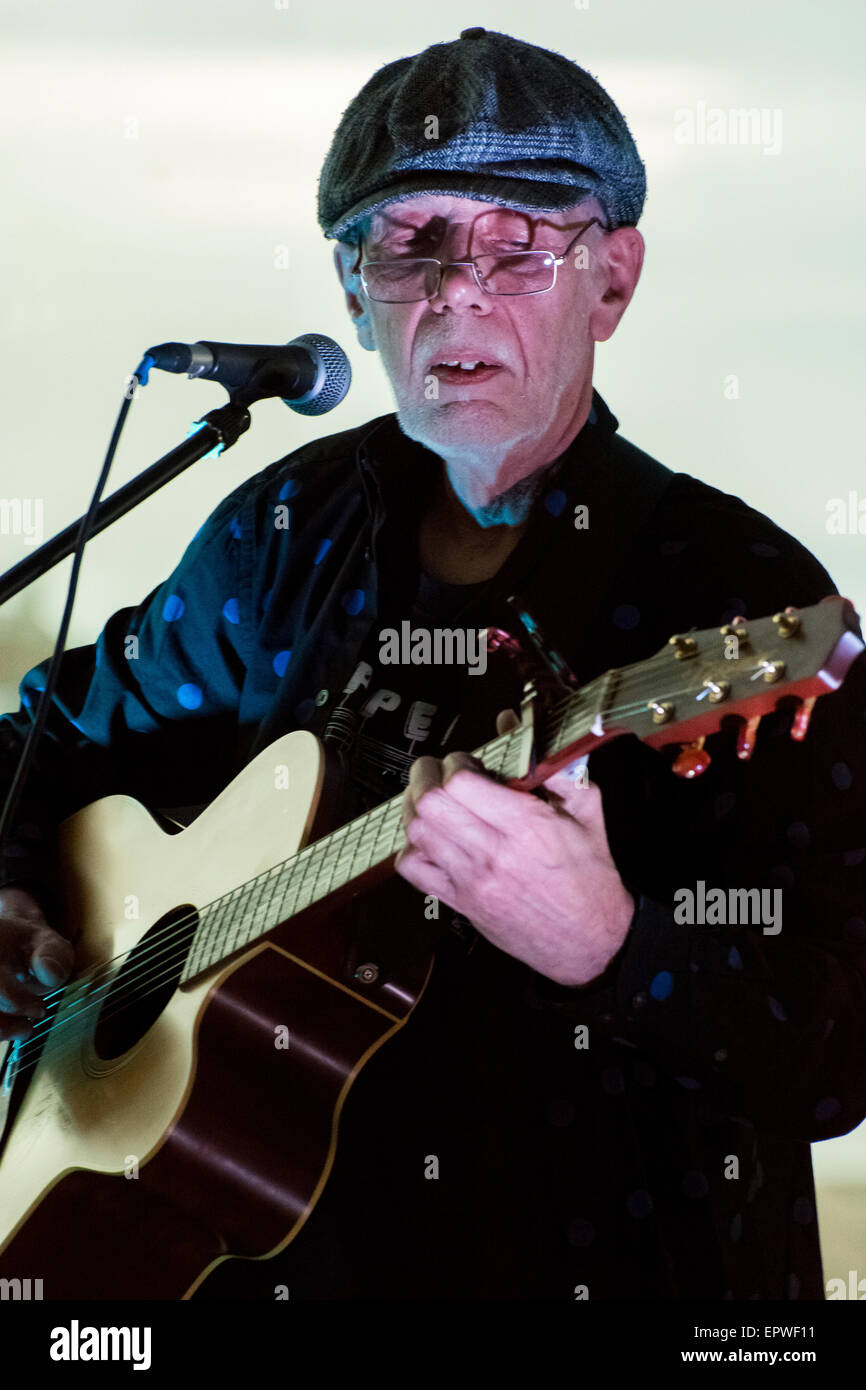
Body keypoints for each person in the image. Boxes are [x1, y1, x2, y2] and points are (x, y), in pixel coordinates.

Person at [1, 28, 865, 1301]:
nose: (457, 289)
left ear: (611, 281)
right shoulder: (281, 530)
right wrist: (15, 899)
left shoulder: (738, 596)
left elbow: (835, 1043)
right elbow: (50, 749)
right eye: (410, 242)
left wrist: (614, 945)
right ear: (355, 292)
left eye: (517, 242)